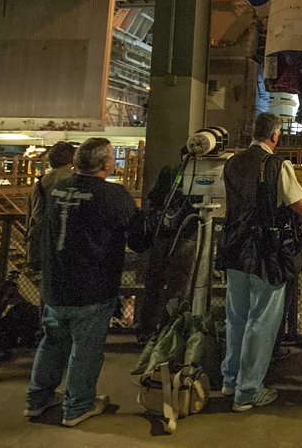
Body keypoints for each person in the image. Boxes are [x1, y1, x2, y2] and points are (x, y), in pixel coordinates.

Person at [24, 137, 149, 427]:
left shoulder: (56, 189)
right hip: (93, 286)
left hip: (55, 284)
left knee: (52, 342)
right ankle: (77, 405)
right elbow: (139, 239)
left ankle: (37, 399)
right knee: (86, 350)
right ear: (106, 164)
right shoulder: (112, 195)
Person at [215, 112, 302, 412]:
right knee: (262, 321)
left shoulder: (232, 162)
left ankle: (230, 380)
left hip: (233, 249)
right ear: (275, 135)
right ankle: (248, 391)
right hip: (265, 253)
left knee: (236, 318)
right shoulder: (277, 164)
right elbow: (300, 205)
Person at [135, 145, 201, 342]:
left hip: (162, 235)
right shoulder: (199, 178)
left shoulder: (169, 173)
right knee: (178, 288)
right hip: (185, 236)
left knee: (153, 284)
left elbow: (154, 199)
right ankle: (169, 332)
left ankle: (146, 330)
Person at [25, 141, 76, 274]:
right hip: (69, 246)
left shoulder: (38, 184)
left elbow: (33, 215)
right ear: (73, 160)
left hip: (41, 244)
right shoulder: (77, 182)